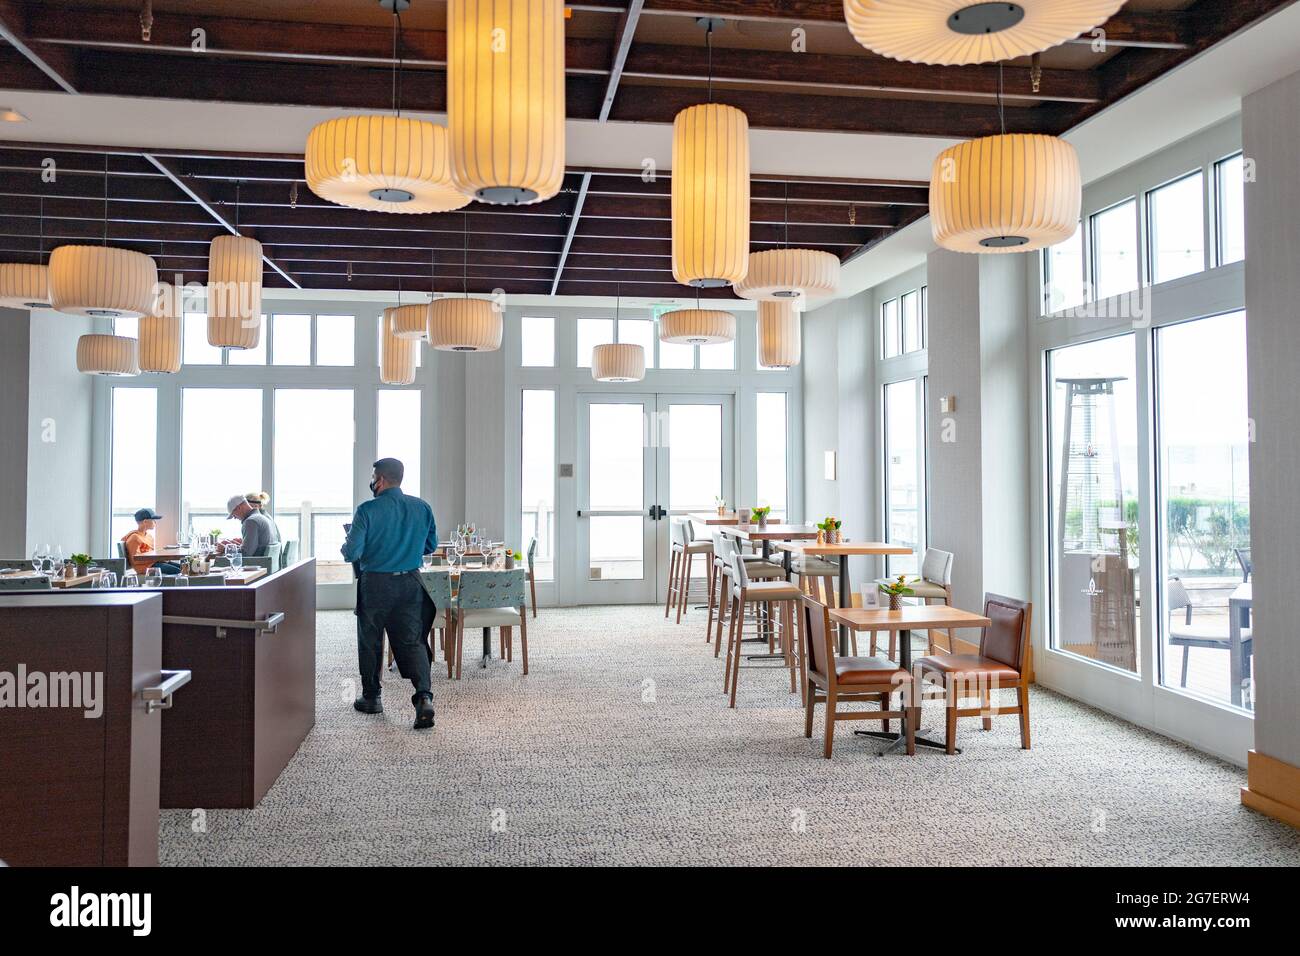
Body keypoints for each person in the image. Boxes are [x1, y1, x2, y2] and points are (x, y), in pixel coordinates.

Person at [341, 458, 438, 730]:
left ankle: (372, 697)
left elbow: (353, 552)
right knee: (413, 641)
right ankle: (424, 698)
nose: (372, 482)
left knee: (370, 640)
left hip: (375, 584)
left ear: (380, 480)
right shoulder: (422, 507)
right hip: (410, 582)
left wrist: (346, 544)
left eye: (373, 477)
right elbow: (430, 546)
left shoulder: (366, 510)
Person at [121, 508, 182, 575]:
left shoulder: (149, 536)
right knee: (179, 571)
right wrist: (158, 559)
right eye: (153, 520)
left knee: (184, 568)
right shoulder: (134, 538)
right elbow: (135, 560)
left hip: (153, 563)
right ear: (145, 522)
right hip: (145, 567)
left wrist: (160, 559)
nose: (155, 522)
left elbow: (151, 554)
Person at [222, 493, 282, 558]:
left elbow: (245, 554)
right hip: (265, 565)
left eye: (233, 514)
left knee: (217, 563)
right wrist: (237, 546)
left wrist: (226, 549)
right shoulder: (263, 518)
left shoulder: (250, 521)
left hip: (256, 565)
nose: (235, 518)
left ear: (239, 508)